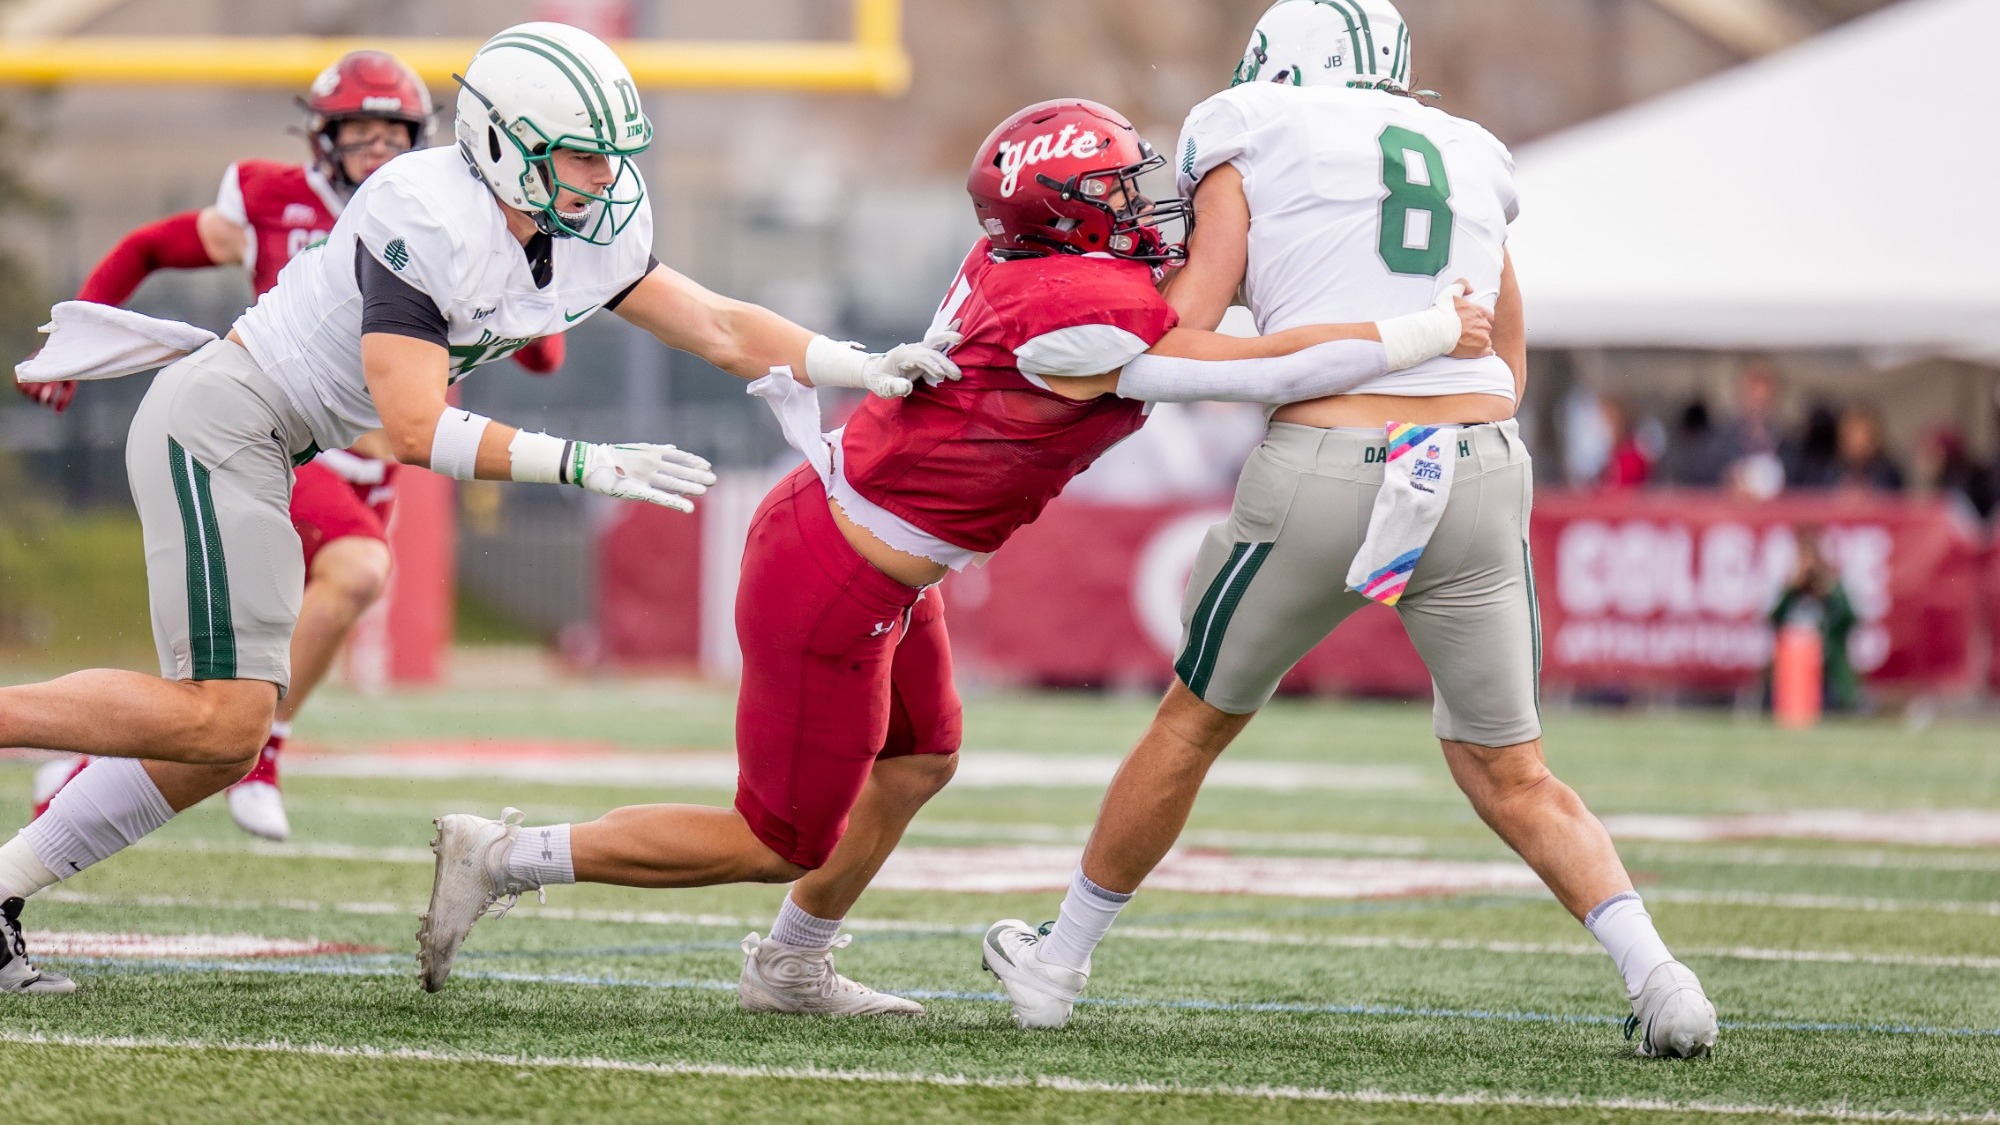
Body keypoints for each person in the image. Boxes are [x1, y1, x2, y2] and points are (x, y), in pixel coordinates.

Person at [412, 96, 1493, 1010]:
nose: (1141, 204)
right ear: (1065, 212)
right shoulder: (1074, 316)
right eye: (1117, 190)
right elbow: (1257, 370)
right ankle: (502, 856)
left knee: (921, 759)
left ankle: (790, 965)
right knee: (777, 836)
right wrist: (1424, 334)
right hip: (838, 574)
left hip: (862, 540)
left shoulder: (1030, 259)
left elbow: (1187, 304)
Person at [0, 22, 956, 995]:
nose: (604, 177)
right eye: (580, 155)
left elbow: (715, 323)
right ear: (503, 144)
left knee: (220, 741)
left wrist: (858, 365)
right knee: (218, 721)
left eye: (610, 155)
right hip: (221, 422)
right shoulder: (422, 211)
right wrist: (582, 463)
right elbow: (415, 426)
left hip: (268, 441)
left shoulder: (572, 221)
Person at [978, 0, 1719, 1060]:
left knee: (1192, 723)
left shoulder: (1247, 124)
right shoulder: (1468, 149)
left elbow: (1187, 320)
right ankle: (1661, 978)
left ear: (1276, 64)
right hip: (1476, 464)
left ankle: (1057, 965)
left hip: (1329, 460)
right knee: (1512, 770)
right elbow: (1507, 364)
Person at [18, 50, 568, 842]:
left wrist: (529, 286)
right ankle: (265, 753)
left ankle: (79, 780)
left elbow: (543, 352)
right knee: (358, 571)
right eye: (359, 132)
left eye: (393, 133)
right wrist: (79, 333)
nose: (377, 149)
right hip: (278, 439)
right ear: (322, 138)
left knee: (226, 696)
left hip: (373, 461)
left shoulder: (451, 217)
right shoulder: (275, 202)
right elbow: (150, 246)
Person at [1767, 525, 1861, 713]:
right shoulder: (1790, 588)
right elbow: (1773, 620)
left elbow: (1850, 619)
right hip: (1795, 671)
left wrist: (1827, 591)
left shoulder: (1832, 586)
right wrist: (1793, 588)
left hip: (1829, 673)